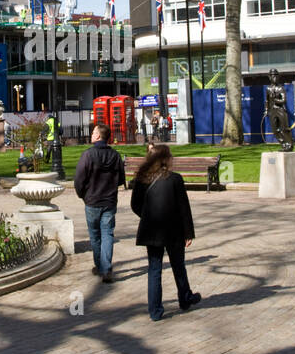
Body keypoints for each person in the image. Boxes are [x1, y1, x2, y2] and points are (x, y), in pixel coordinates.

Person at [130, 144, 201, 322]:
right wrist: (188, 232)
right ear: (165, 159)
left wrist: (147, 216)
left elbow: (135, 205)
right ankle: (185, 298)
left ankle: (155, 310)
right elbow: (184, 208)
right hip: (174, 229)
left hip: (152, 229)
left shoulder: (142, 179)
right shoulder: (175, 179)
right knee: (178, 266)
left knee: (154, 269)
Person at [73, 122, 126, 283]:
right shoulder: (115, 155)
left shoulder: (88, 155)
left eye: (93, 132)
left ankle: (100, 266)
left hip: (92, 201)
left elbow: (79, 179)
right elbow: (121, 179)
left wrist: (83, 195)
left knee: (95, 236)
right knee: (108, 234)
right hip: (109, 200)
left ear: (98, 136)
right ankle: (106, 268)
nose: (91, 134)